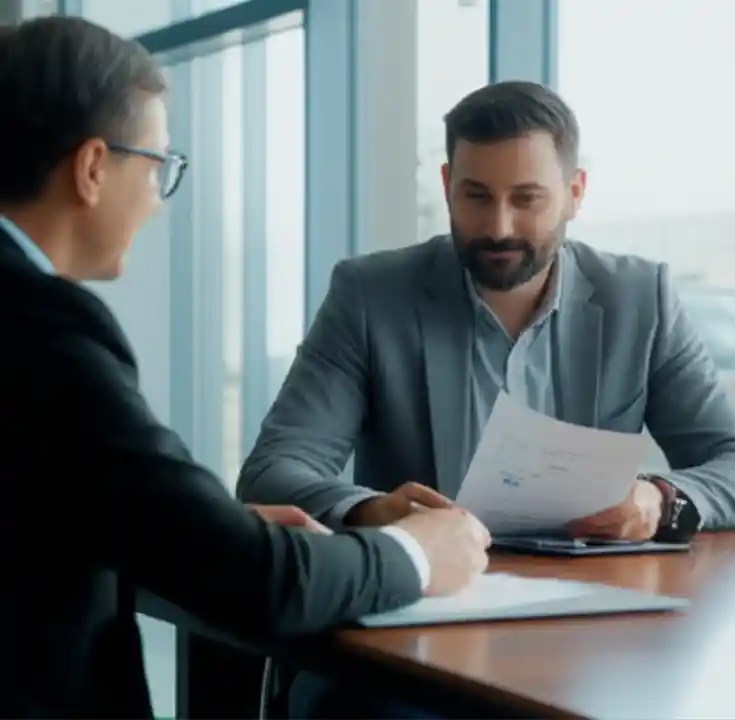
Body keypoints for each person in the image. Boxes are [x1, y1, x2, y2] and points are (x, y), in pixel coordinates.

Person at [0, 17, 489, 718]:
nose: (157, 201)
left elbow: (46, 508)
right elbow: (258, 582)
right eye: (158, 166)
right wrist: (414, 553)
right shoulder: (42, 329)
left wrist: (199, 526)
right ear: (93, 168)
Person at [237, 80, 735, 544]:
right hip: (424, 602)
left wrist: (661, 499)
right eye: (476, 196)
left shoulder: (640, 299)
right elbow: (272, 472)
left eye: (527, 199)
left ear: (575, 193)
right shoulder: (371, 296)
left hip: (598, 604)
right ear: (447, 187)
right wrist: (372, 511)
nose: (499, 227)